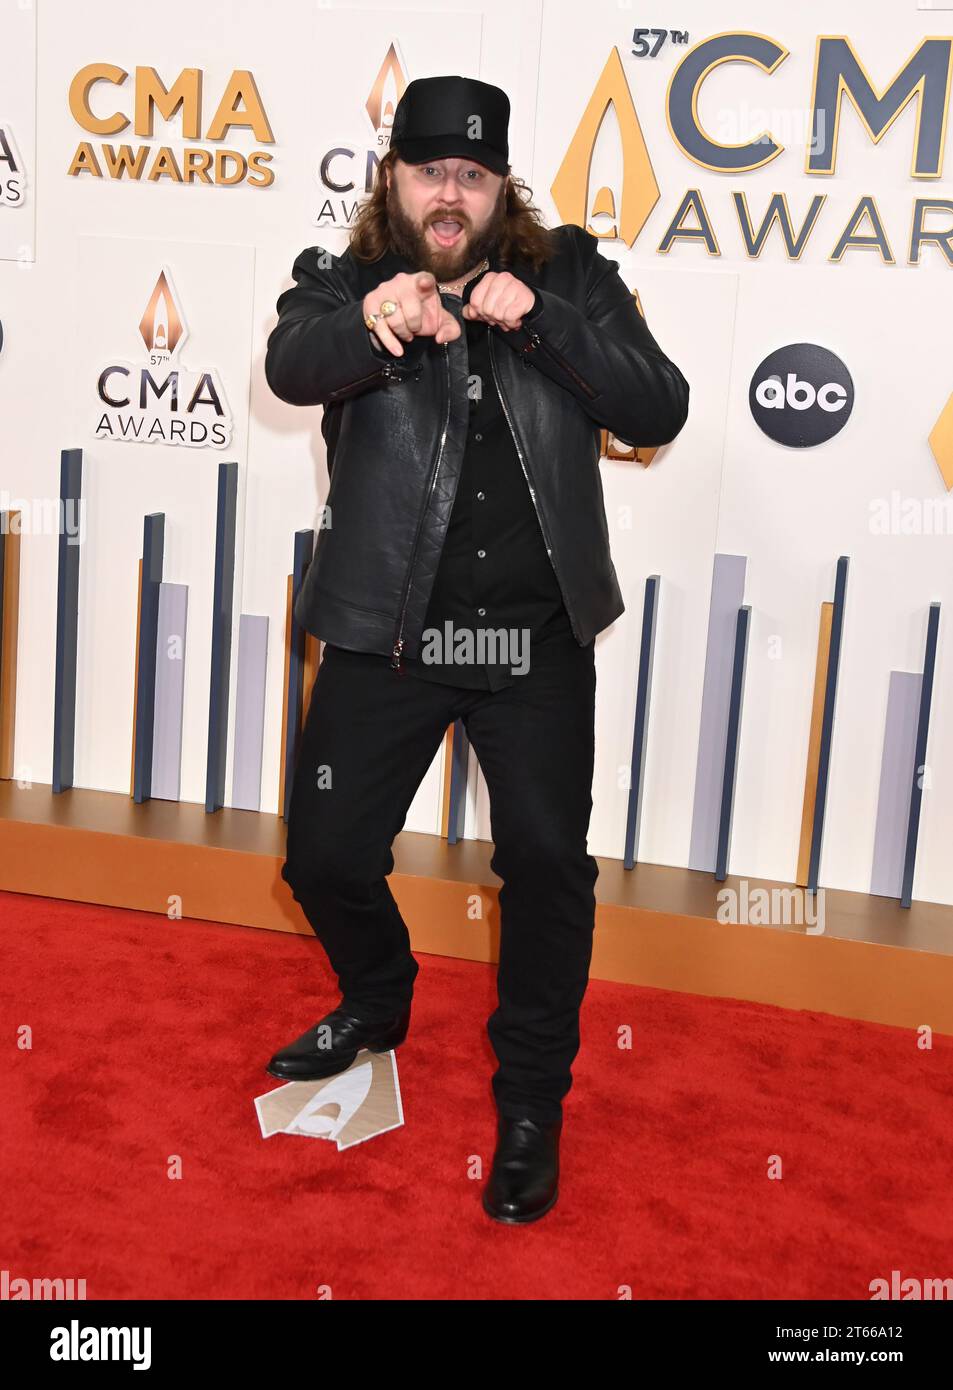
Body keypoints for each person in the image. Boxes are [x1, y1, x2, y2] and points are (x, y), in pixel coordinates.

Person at [263, 75, 690, 1223]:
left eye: (471, 173)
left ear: (501, 185)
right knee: (322, 857)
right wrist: (370, 322)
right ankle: (378, 994)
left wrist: (540, 320)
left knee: (546, 865)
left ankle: (532, 1101)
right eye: (428, 172)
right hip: (386, 630)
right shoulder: (344, 279)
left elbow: (656, 406)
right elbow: (291, 365)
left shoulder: (572, 274)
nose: (448, 193)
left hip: (531, 634)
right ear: (392, 178)